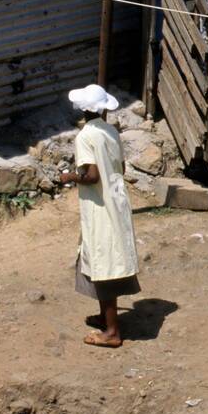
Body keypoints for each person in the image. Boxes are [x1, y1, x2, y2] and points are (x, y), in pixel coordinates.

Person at [60, 83, 140, 348]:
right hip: (116, 201)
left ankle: (112, 332)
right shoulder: (110, 131)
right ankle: (108, 318)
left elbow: (91, 175)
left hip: (100, 206)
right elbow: (121, 166)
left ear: (83, 109)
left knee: (103, 264)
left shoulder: (84, 137)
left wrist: (69, 176)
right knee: (108, 258)